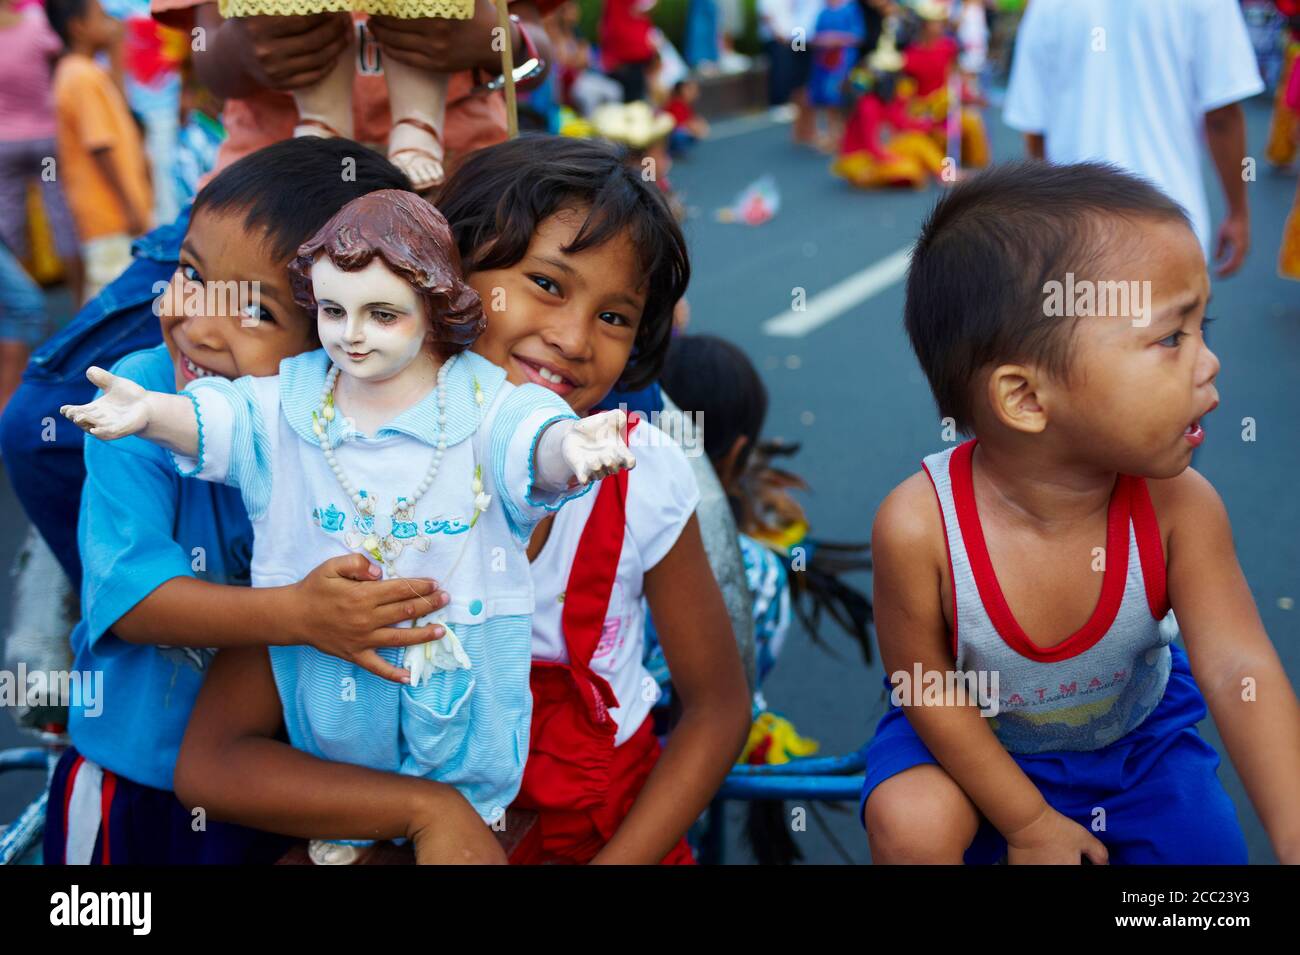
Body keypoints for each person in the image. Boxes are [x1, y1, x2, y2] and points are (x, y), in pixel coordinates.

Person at [174, 136, 751, 865]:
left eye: (615, 316)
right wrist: (428, 812)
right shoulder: (330, 474)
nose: (574, 338)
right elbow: (212, 761)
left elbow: (717, 707)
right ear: (445, 270)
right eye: (547, 284)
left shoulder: (641, 473)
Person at [61, 187, 636, 864]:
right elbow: (227, 425)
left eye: (379, 313)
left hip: (338, 793)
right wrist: (153, 413)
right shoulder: (287, 419)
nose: (352, 333)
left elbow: (527, 432)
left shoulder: (481, 408)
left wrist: (568, 449)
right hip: (146, 781)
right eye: (334, 311)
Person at [863, 161, 1300, 865]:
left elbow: (1237, 664)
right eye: (1170, 338)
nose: (1210, 362)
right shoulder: (920, 528)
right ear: (1028, 398)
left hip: (1136, 750)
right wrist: (1028, 821)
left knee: (1208, 853)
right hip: (973, 746)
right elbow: (925, 687)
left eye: (1201, 325)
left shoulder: (1179, 506)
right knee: (913, 820)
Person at [39, 137, 443, 866]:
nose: (197, 323)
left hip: (282, 790)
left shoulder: (360, 430)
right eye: (192, 273)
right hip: (135, 787)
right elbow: (137, 603)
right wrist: (300, 615)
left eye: (254, 309)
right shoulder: (137, 397)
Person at [150, 0, 555, 185]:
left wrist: (502, 39)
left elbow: (540, 47)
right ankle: (323, 125)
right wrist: (240, 48)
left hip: (461, 179)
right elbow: (203, 51)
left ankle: (415, 126)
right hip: (273, 184)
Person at [1003, 0, 1264, 277]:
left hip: (1077, 229)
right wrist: (1238, 213)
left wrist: (1050, 217)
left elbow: (1035, 127)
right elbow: (1221, 116)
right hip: (1173, 225)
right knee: (1178, 318)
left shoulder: (1047, 6)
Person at [47, 0, 155, 300]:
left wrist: (117, 52)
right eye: (101, 16)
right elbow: (100, 146)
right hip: (109, 214)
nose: (111, 22)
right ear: (78, 27)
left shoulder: (84, 71)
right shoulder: (82, 76)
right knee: (111, 303)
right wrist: (130, 206)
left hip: (109, 213)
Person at [0, 0, 84, 306]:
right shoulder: (35, 22)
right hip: (43, 142)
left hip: (5, 146)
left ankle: (19, 299)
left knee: (10, 222)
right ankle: (78, 298)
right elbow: (55, 53)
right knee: (59, 212)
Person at [807, 0, 865, 151]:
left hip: (844, 63)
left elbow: (858, 35)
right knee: (829, 101)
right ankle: (833, 134)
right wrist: (822, 40)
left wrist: (835, 38)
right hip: (825, 63)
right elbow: (814, 35)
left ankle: (846, 136)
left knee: (845, 100)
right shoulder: (823, 12)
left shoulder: (851, 9)